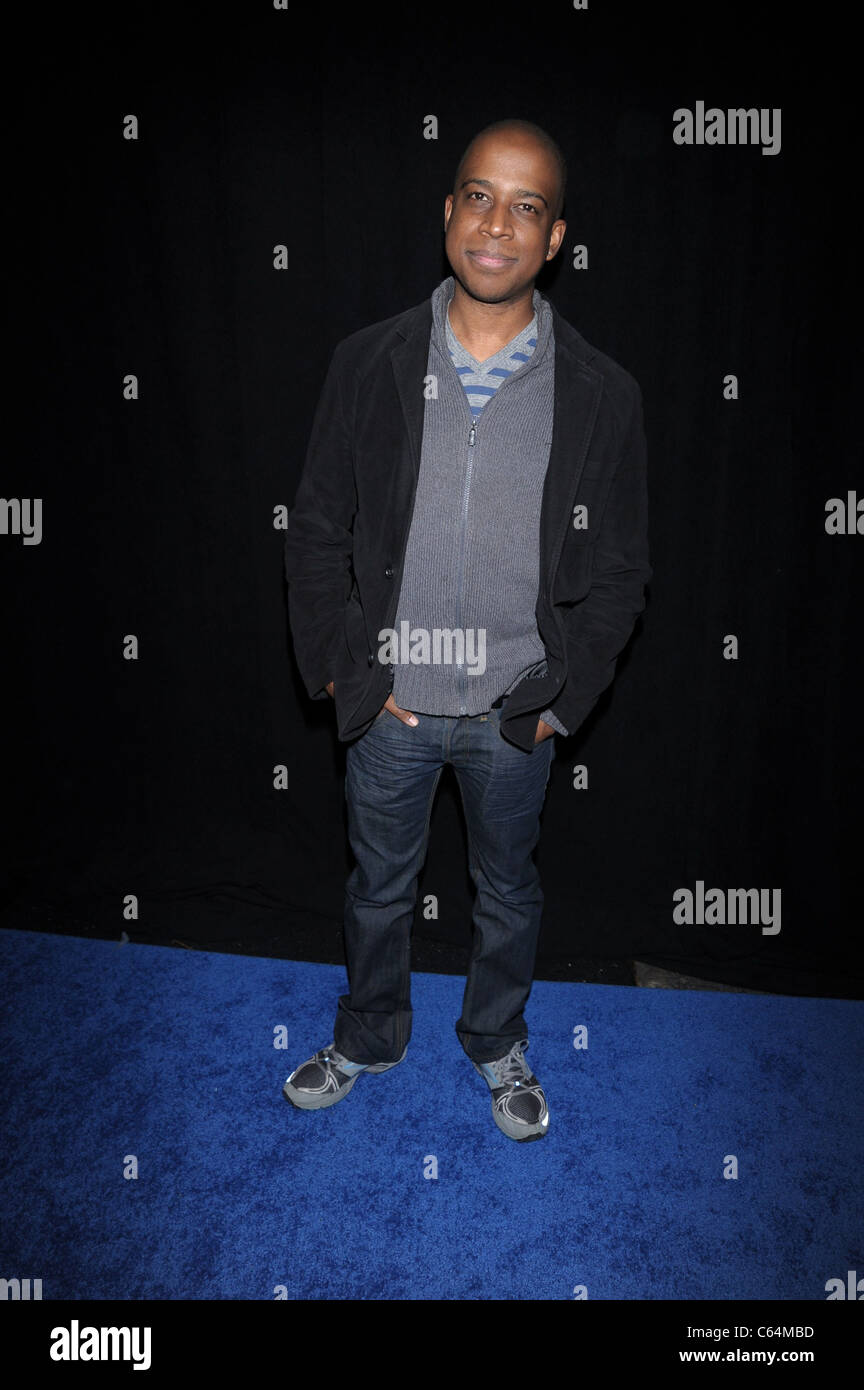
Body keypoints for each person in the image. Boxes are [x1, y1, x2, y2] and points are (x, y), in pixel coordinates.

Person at [282, 118, 652, 1141]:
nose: (499, 223)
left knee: (507, 896)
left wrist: (559, 703)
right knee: (377, 891)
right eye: (480, 196)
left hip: (512, 717)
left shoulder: (603, 394)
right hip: (390, 710)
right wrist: (353, 684)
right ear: (449, 212)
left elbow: (622, 569)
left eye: (527, 205)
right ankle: (368, 1032)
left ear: (556, 236)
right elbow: (314, 528)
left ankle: (497, 1042)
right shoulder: (368, 363)